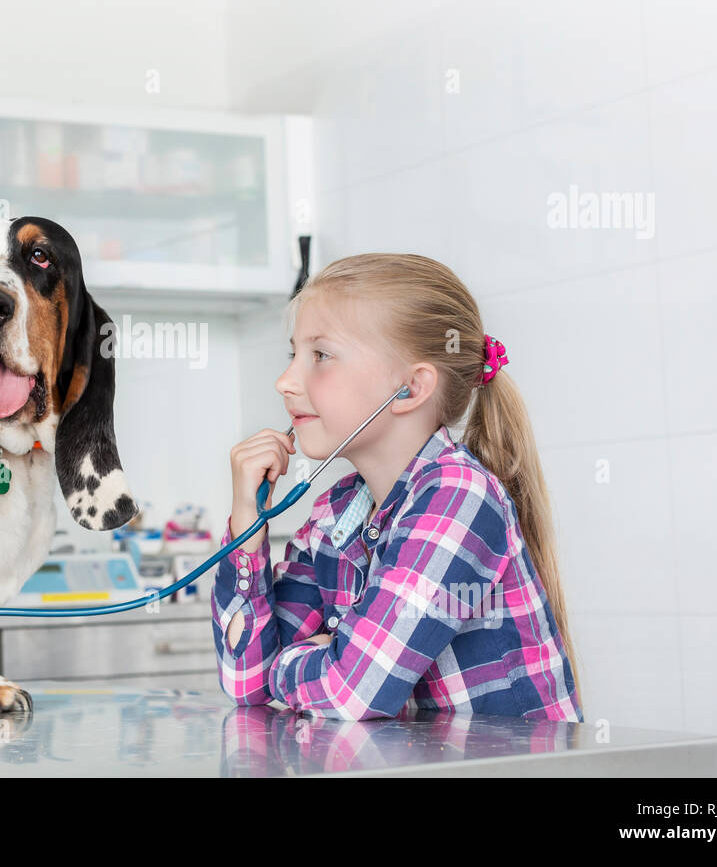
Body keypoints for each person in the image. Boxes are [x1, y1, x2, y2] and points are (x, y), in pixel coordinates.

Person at [211, 253, 583, 722]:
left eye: (320, 356)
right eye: (294, 355)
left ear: (410, 388)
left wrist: (288, 668)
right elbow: (247, 682)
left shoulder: (459, 496)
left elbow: (352, 692)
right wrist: (248, 522)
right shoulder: (335, 514)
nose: (285, 382)